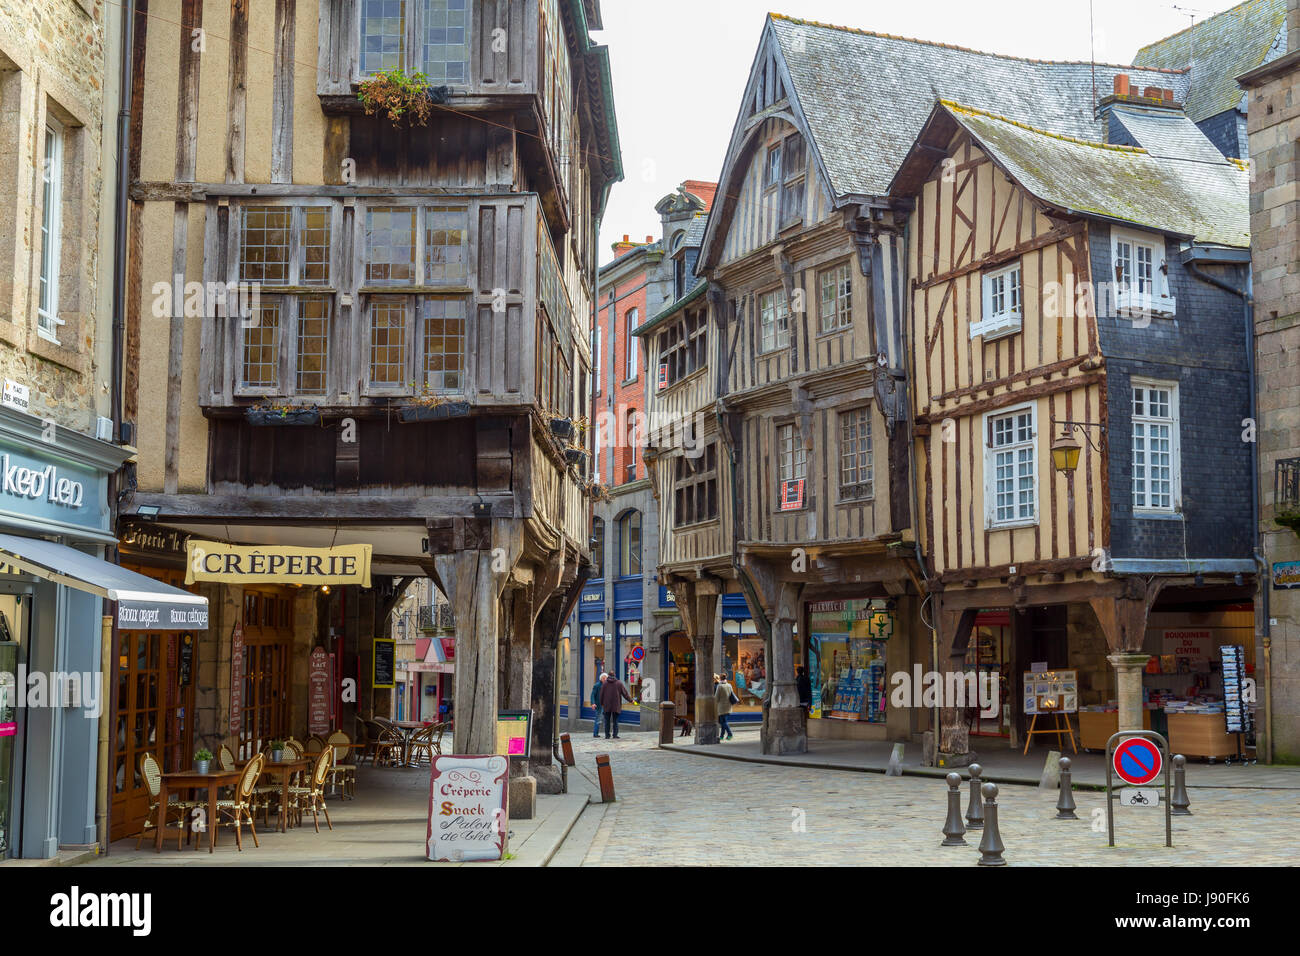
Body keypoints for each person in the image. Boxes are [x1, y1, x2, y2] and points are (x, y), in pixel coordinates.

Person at [599, 669, 635, 739]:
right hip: (616, 705)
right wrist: (631, 701)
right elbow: (625, 694)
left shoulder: (605, 684)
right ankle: (615, 735)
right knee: (615, 721)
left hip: (607, 705)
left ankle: (607, 735)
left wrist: (601, 703)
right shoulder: (619, 683)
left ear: (608, 676)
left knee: (607, 721)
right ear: (614, 675)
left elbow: (601, 695)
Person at [714, 672, 736, 741]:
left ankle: (730, 734)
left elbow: (716, 698)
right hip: (728, 706)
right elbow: (731, 694)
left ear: (720, 678)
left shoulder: (719, 686)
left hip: (721, 707)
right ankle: (721, 736)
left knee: (722, 722)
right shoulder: (729, 685)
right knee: (724, 721)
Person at [590, 672, 607, 738]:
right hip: (599, 705)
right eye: (604, 678)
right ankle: (595, 733)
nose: (605, 679)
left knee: (605, 719)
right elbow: (593, 695)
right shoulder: (597, 685)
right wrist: (593, 703)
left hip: (606, 705)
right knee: (598, 719)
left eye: (606, 678)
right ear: (601, 679)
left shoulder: (607, 685)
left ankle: (606, 733)